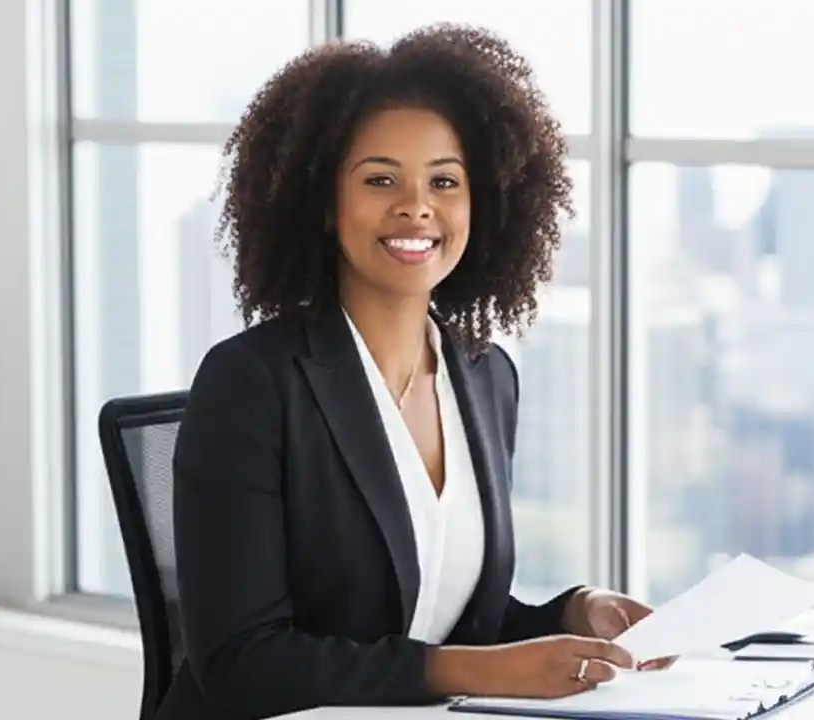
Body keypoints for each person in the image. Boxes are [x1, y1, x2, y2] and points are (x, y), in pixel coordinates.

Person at [160, 25, 665, 720]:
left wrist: (575, 616)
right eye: (380, 179)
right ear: (325, 204)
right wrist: (481, 670)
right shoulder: (251, 384)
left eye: (445, 181)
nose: (416, 206)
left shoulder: (486, 379)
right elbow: (245, 664)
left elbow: (443, 614)